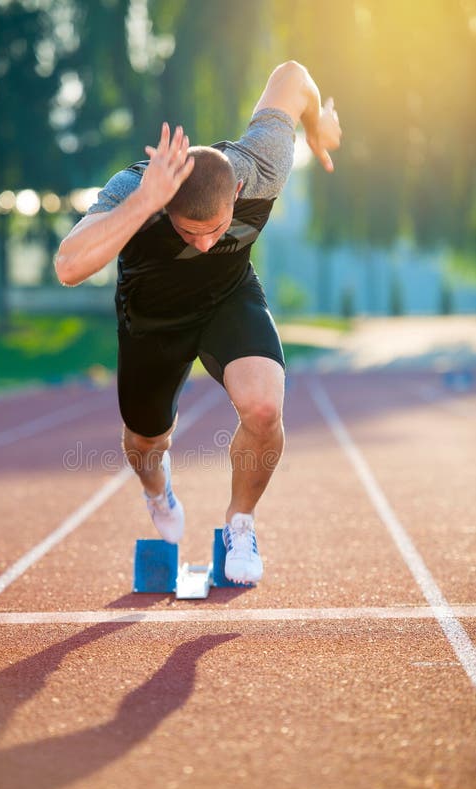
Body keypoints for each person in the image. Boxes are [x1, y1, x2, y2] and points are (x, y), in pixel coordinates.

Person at [55, 60, 341, 584]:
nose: (205, 243)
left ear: (235, 196)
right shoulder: (134, 189)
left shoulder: (264, 163)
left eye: (214, 230)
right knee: (145, 443)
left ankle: (241, 522)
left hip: (227, 298)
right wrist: (146, 201)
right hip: (151, 320)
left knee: (263, 405)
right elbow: (69, 265)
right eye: (189, 233)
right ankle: (156, 490)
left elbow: (293, 75)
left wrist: (317, 123)